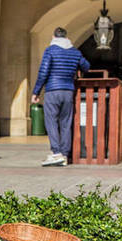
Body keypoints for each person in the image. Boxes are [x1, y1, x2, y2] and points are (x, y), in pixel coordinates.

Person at [31, 27, 90, 166]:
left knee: (51, 121)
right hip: (68, 91)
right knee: (66, 123)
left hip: (52, 90)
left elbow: (43, 72)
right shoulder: (75, 52)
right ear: (66, 37)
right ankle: (64, 154)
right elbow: (86, 66)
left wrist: (36, 92)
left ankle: (56, 153)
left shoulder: (50, 50)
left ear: (53, 37)